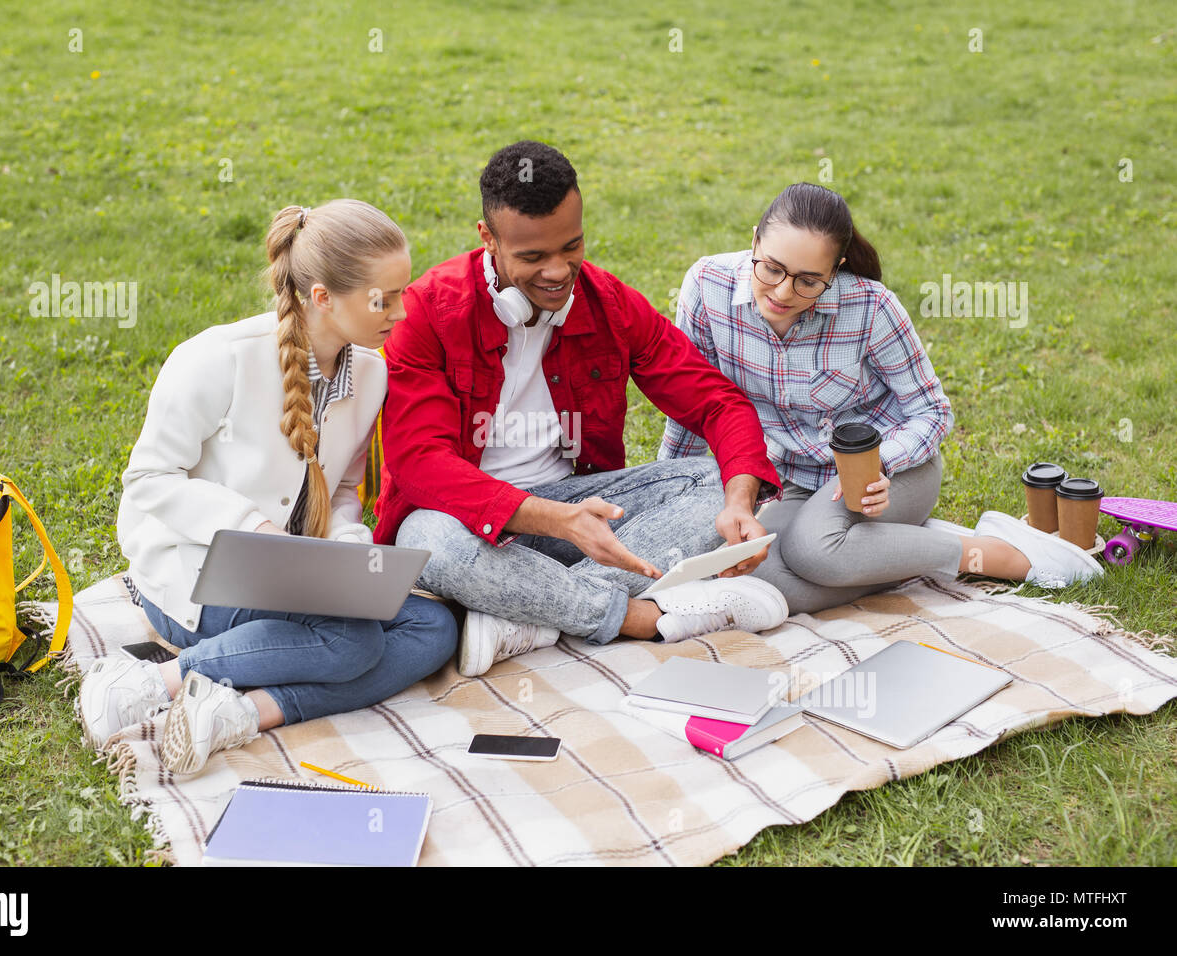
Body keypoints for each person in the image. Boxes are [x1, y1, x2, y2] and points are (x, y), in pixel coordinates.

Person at [375, 140, 791, 678]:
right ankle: (634, 616)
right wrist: (555, 519)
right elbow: (419, 464)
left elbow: (718, 402)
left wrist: (738, 499)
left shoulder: (610, 303)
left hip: (579, 518)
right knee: (425, 543)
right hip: (466, 521)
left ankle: (524, 615)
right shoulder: (429, 311)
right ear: (488, 239)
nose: (557, 271)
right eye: (532, 257)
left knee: (720, 482)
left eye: (571, 247)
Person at [78, 200, 458, 775]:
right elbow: (149, 480)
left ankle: (243, 712)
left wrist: (350, 551)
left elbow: (347, 487)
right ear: (323, 297)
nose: (402, 313)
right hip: (197, 574)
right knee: (353, 644)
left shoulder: (371, 373)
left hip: (302, 574)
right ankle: (151, 681)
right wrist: (251, 528)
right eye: (384, 298)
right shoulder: (216, 358)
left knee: (432, 626)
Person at [660, 182, 1101, 614]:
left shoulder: (870, 307)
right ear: (754, 240)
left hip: (889, 474)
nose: (782, 292)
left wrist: (881, 465)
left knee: (812, 551)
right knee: (749, 574)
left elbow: (931, 411)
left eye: (809, 281)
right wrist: (663, 492)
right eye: (771, 268)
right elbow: (692, 405)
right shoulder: (707, 286)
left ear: (836, 271)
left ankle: (997, 555)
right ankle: (896, 551)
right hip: (792, 478)